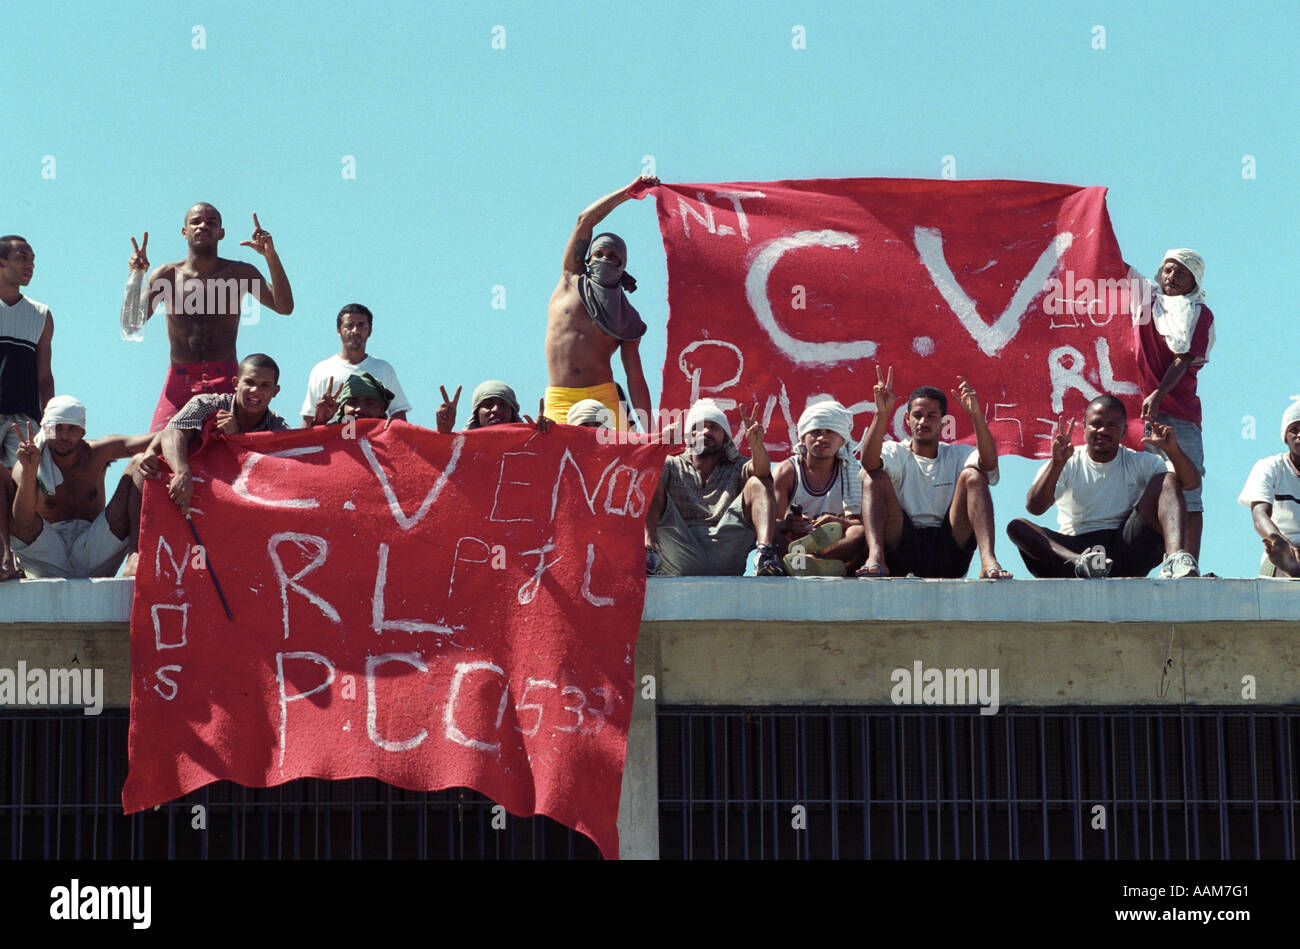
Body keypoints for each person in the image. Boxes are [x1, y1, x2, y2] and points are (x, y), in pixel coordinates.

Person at [123, 204, 294, 431]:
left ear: (221, 233)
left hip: (226, 378)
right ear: (184, 231)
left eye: (211, 222)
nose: (203, 225)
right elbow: (132, 324)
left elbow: (284, 306)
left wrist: (270, 256)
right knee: (159, 451)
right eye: (196, 221)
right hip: (180, 381)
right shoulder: (167, 275)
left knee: (231, 453)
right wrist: (136, 275)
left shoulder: (240, 273)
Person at [1006, 395, 1200, 578]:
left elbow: (1190, 483)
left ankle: (1175, 559)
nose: (1103, 431)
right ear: (1084, 427)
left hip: (1125, 546)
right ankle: (1082, 565)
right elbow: (1034, 507)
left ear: (1124, 431)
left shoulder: (1138, 461)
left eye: (1112, 426)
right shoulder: (1067, 460)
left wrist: (1172, 451)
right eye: (1096, 424)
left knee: (1167, 479)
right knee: (1017, 526)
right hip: (1075, 551)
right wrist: (1057, 464)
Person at [856, 369, 1011, 579]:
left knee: (974, 476)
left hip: (949, 548)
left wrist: (976, 415)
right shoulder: (895, 451)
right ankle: (876, 558)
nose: (923, 422)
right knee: (874, 476)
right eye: (917, 416)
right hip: (903, 545)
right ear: (907, 418)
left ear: (943, 421)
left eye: (931, 416)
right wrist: (881, 413)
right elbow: (868, 462)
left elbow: (989, 464)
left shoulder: (957, 454)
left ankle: (988, 561)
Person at [544, 176, 658, 431]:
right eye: (599, 254)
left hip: (604, 400)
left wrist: (651, 430)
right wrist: (628, 192)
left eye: (613, 256)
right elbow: (584, 220)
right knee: (558, 467)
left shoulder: (628, 319)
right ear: (587, 258)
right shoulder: (570, 279)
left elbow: (635, 378)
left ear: (623, 265)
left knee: (622, 467)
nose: (605, 259)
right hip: (560, 401)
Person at [7, 397, 153, 579]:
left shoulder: (99, 452)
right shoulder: (26, 465)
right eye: (57, 427)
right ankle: (5, 561)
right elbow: (22, 522)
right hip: (48, 555)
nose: (64, 435)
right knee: (3, 479)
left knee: (139, 462)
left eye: (72, 428)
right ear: (45, 429)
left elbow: (161, 438)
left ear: (82, 431)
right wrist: (30, 471)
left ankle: (137, 555)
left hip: (94, 548)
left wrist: (180, 465)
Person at [1130, 249, 1214, 559]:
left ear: (1194, 280)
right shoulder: (1145, 299)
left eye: (1181, 272)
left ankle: (1187, 563)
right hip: (1140, 413)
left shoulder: (1199, 313)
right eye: (1167, 269)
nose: (1171, 277)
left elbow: (1184, 358)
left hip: (1181, 416)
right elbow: (1117, 265)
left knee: (1189, 492)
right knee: (1144, 493)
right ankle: (1155, 561)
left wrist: (1158, 394)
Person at [644, 399, 782, 577]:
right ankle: (649, 553)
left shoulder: (737, 465)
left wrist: (756, 445)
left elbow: (762, 471)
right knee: (650, 478)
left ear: (725, 438)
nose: (707, 431)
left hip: (726, 548)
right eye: (700, 426)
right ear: (689, 435)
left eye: (714, 427)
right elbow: (636, 469)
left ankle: (765, 554)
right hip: (679, 547)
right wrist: (658, 444)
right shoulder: (672, 464)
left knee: (759, 482)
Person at [152, 354, 289, 515]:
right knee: (141, 471)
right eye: (249, 382)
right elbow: (172, 432)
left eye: (264, 385)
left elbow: (293, 467)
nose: (255, 391)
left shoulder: (279, 429)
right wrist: (182, 473)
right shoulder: (207, 404)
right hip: (193, 493)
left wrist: (237, 439)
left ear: (275, 391)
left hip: (240, 510)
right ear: (236, 384)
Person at [0, 235, 54, 578]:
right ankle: (4, 555)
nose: (29, 264)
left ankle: (26, 560)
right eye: (22, 257)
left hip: (24, 419)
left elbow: (45, 375)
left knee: (29, 483)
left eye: (32, 258)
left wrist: (49, 419)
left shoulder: (41, 315)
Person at [771, 399, 864, 576]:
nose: (822, 438)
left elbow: (861, 524)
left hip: (836, 548)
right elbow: (771, 523)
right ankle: (805, 563)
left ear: (842, 439)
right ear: (803, 438)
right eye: (815, 432)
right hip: (794, 548)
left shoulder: (853, 472)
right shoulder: (786, 471)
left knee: (860, 532)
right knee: (770, 534)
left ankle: (825, 564)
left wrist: (840, 522)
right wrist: (789, 524)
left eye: (830, 432)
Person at [299, 303, 410, 427]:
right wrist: (320, 420)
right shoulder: (321, 370)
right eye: (349, 325)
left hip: (373, 444)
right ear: (338, 330)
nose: (355, 331)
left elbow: (398, 416)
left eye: (361, 325)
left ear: (370, 331)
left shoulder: (384, 369)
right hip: (336, 445)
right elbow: (308, 421)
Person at [1238, 401, 1300, 578]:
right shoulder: (1270, 467)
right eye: (1294, 429)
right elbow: (1259, 516)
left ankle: (1295, 571)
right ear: (1285, 437)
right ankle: (1291, 566)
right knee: (1285, 559)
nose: (1299, 435)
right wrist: (1281, 542)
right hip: (1284, 551)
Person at [308, 371, 393, 425]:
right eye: (353, 402)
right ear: (342, 408)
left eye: (370, 403)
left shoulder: (392, 435)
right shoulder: (331, 436)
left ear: (381, 410)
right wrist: (319, 422)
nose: (360, 409)